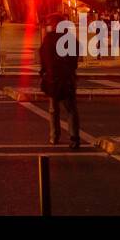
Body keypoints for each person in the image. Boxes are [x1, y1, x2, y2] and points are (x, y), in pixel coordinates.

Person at [39, 14, 81, 148]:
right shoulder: (71, 39)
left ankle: (54, 136)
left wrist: (44, 71)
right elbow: (75, 58)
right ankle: (74, 138)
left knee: (53, 109)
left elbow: (43, 57)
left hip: (53, 78)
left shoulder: (48, 39)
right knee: (71, 109)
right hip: (67, 77)